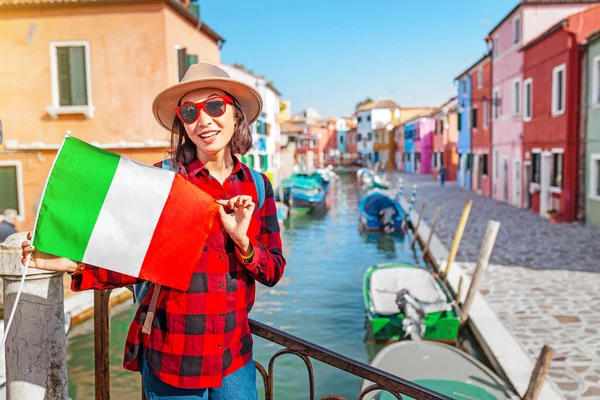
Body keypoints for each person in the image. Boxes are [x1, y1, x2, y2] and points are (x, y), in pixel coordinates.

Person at [21, 62, 286, 400]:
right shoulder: (163, 182)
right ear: (183, 123)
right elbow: (131, 257)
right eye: (190, 112)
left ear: (236, 115)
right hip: (173, 358)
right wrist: (73, 264)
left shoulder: (258, 186)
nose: (203, 120)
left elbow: (274, 270)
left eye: (215, 106)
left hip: (234, 360)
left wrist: (242, 241)